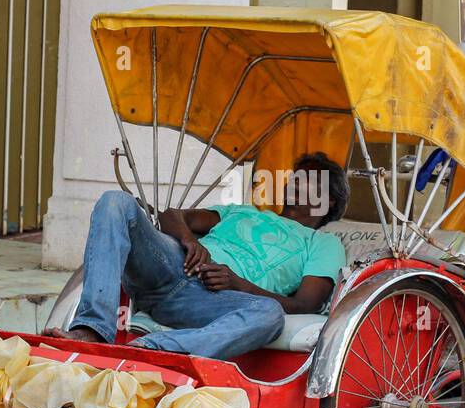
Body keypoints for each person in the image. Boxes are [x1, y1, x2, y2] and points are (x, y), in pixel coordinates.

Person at [49, 152, 350, 361]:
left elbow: (305, 305)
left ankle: (151, 349)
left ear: (329, 198)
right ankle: (90, 331)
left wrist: (237, 284)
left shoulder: (322, 242)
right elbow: (173, 215)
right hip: (169, 265)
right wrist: (189, 239)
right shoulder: (243, 211)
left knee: (268, 315)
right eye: (296, 175)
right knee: (115, 201)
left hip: (212, 301)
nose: (296, 180)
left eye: (310, 178)